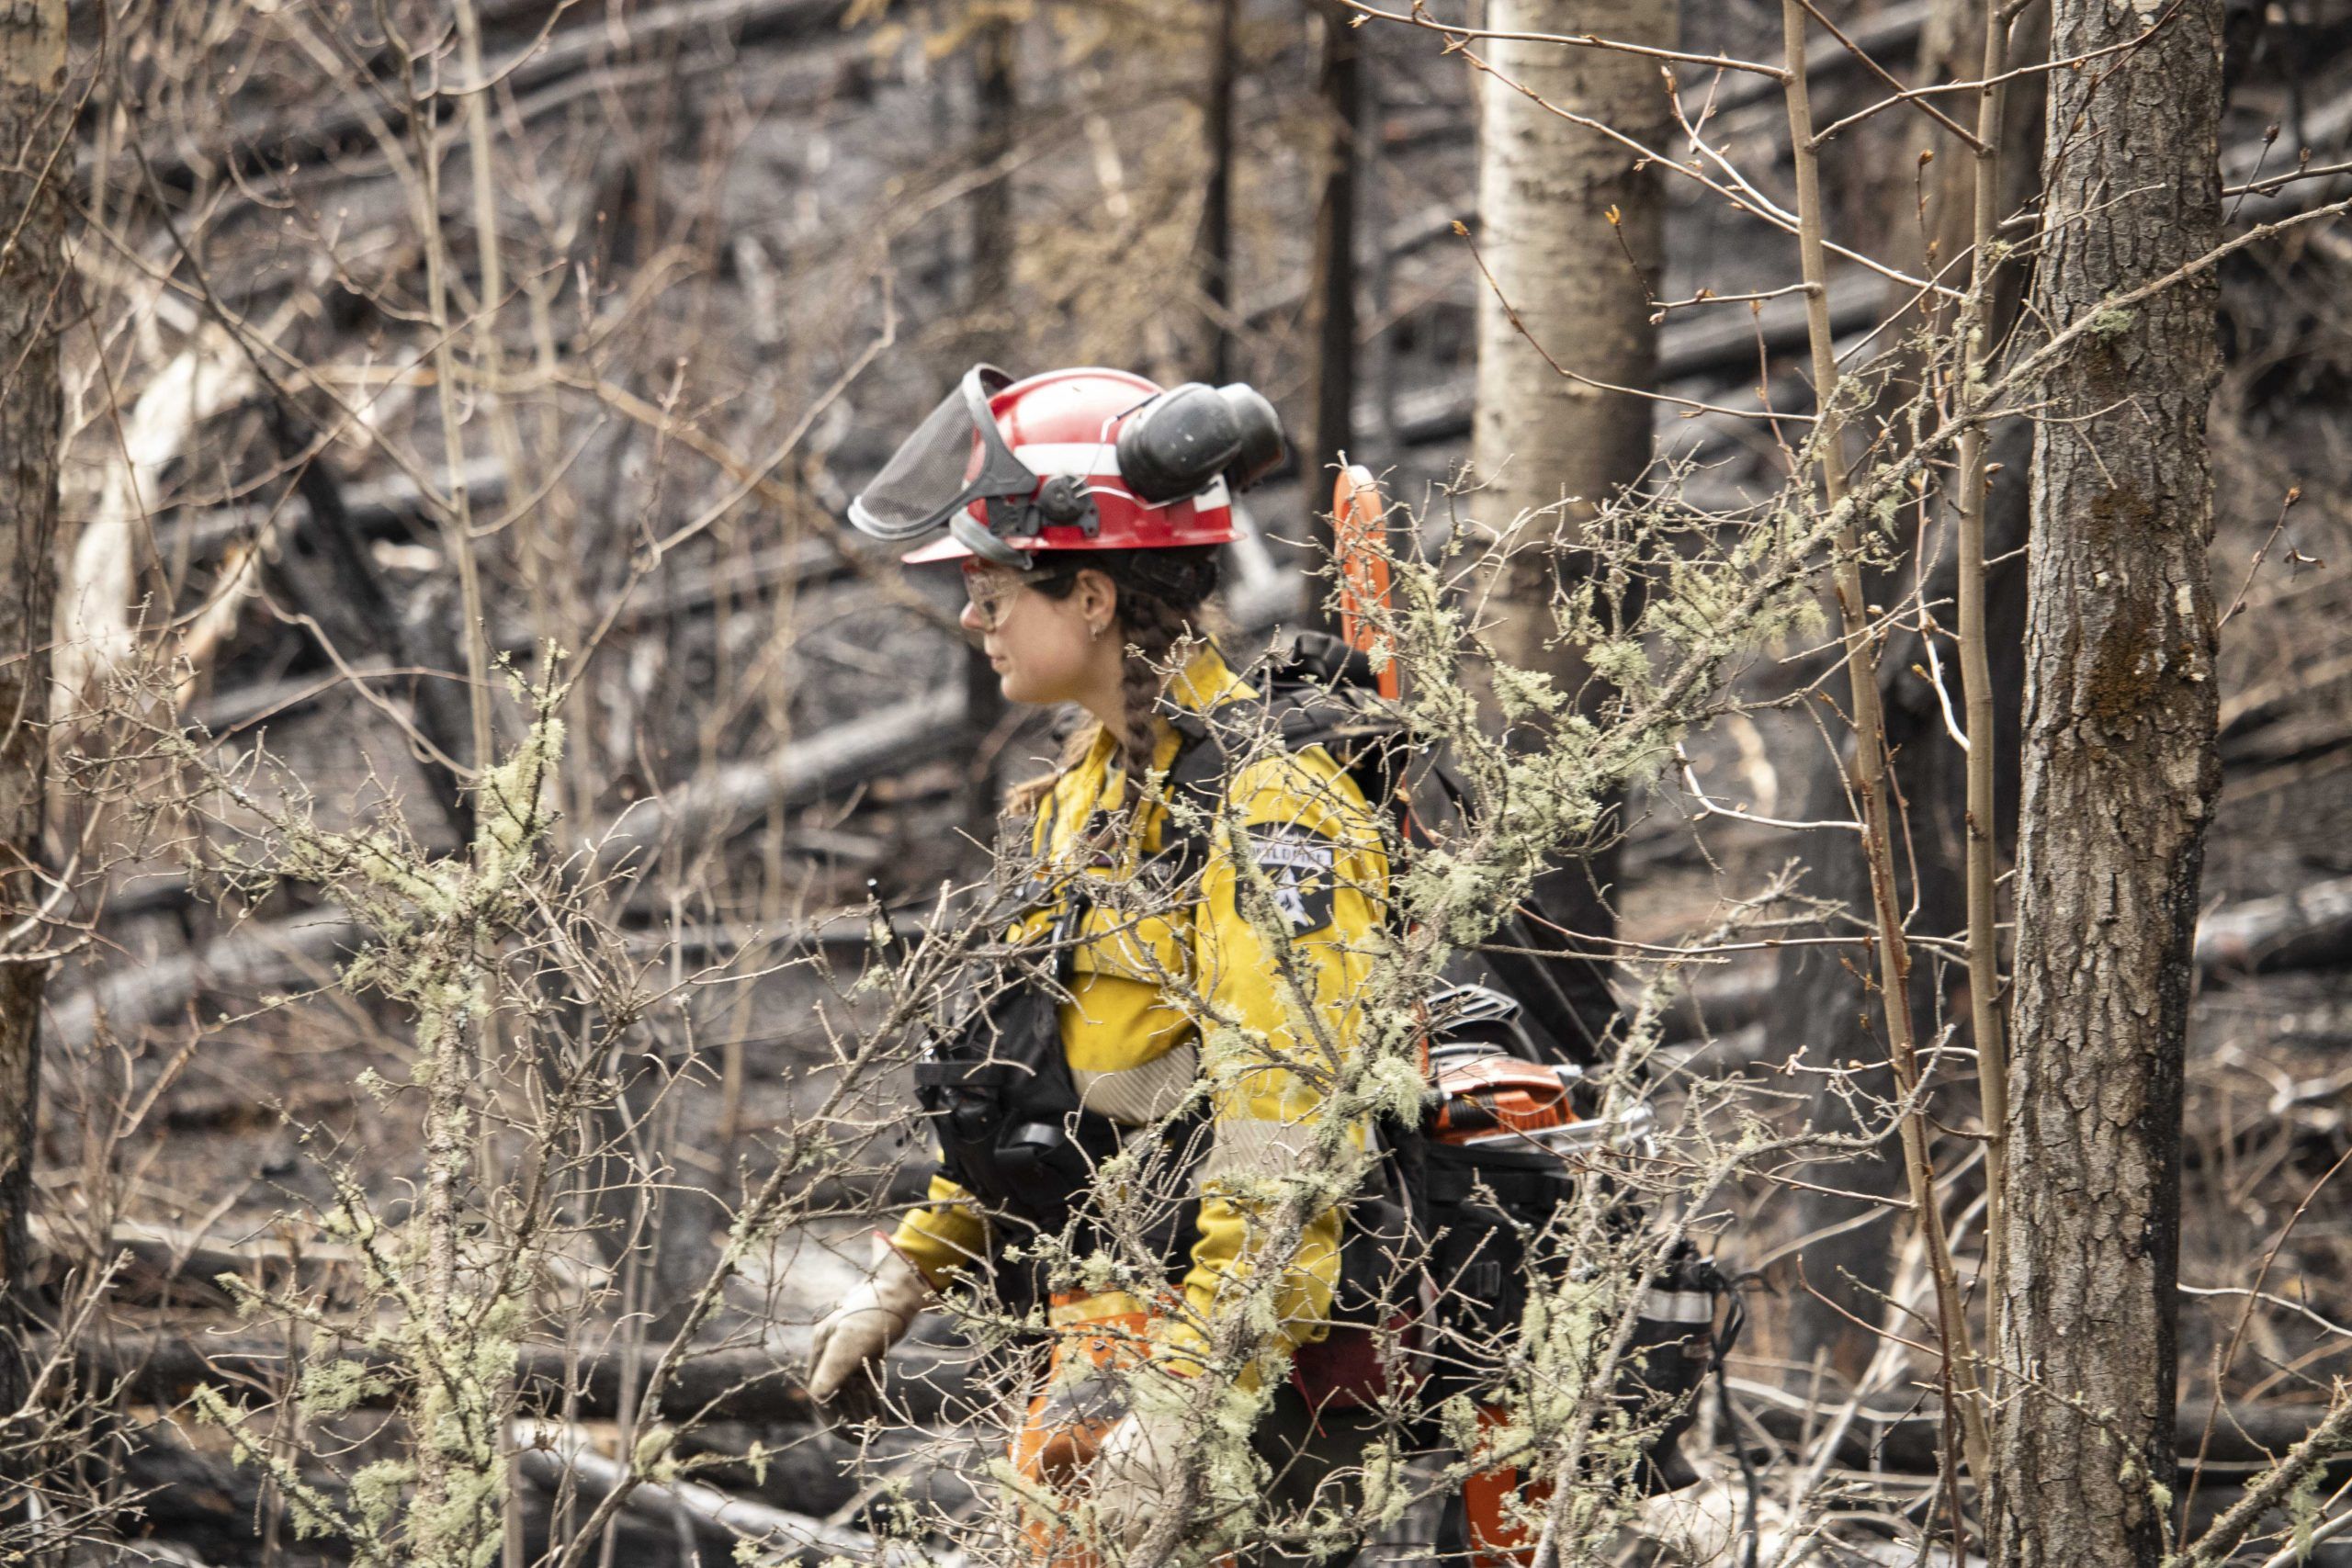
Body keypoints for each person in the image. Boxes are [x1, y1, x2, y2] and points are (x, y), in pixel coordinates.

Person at [807, 366, 1394, 1562]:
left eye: (989, 587)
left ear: (1086, 598)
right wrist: (914, 1269)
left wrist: (1189, 1400)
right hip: (1102, 1345)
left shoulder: (1272, 807)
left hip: (1219, 1371)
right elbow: (1054, 1085)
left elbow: (1286, 1144)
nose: (973, 620)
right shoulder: (1078, 803)